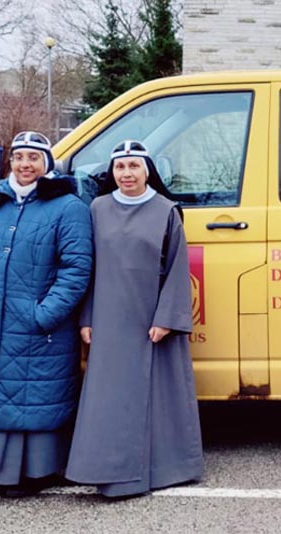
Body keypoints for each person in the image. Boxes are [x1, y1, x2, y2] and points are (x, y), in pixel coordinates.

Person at [66, 140, 203, 498]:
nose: (126, 174)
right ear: (112, 173)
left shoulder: (165, 210)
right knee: (109, 398)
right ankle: (107, 469)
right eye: (120, 167)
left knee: (156, 396)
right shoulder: (97, 208)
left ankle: (162, 470)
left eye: (133, 166)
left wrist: (166, 318)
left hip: (151, 320)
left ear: (147, 171)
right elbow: (89, 268)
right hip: (109, 318)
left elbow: (176, 268)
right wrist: (87, 316)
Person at [0, 131, 93, 498]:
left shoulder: (68, 207)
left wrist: (45, 314)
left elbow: (77, 268)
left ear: (47, 164)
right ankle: (1, 471)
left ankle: (37, 472)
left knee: (39, 396)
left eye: (34, 158)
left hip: (43, 325)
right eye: (19, 157)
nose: (25, 165)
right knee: (0, 393)